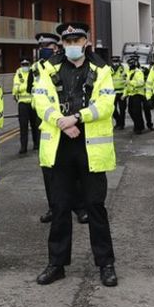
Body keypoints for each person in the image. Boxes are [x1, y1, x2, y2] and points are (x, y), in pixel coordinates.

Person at [32, 22, 118, 287]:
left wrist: (76, 118)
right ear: (63, 43)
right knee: (59, 207)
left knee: (95, 206)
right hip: (61, 145)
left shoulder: (101, 69)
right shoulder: (48, 69)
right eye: (67, 41)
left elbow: (105, 104)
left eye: (76, 40)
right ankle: (56, 264)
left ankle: (106, 264)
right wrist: (61, 121)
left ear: (86, 41)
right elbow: (41, 100)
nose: (72, 45)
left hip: (89, 146)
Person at [32, 32, 62, 224]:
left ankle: (80, 207)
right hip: (45, 123)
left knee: (71, 168)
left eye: (48, 47)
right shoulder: (35, 68)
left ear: (56, 48)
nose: (44, 49)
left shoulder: (63, 65)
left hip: (65, 121)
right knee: (48, 169)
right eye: (41, 47)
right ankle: (53, 207)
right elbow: (32, 91)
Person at [12, 57, 38, 154]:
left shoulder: (33, 72)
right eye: (23, 64)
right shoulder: (18, 73)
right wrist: (27, 87)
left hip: (33, 102)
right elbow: (15, 89)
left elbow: (35, 86)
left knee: (35, 125)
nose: (25, 66)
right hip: (22, 103)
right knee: (23, 126)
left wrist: (23, 87)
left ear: (30, 64)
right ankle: (23, 147)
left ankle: (36, 144)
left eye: (26, 64)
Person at [125, 56, 148, 134]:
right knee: (130, 111)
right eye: (129, 64)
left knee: (136, 112)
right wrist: (125, 94)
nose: (129, 65)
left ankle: (138, 128)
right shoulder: (129, 72)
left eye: (131, 64)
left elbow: (141, 83)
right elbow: (127, 85)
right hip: (131, 94)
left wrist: (131, 82)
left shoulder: (138, 72)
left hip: (138, 94)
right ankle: (139, 125)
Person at [110, 56, 128, 130]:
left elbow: (127, 80)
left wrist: (125, 93)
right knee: (112, 109)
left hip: (122, 92)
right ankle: (118, 121)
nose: (115, 63)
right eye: (114, 61)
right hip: (113, 92)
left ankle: (122, 124)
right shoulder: (109, 69)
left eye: (117, 61)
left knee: (122, 109)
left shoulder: (123, 69)